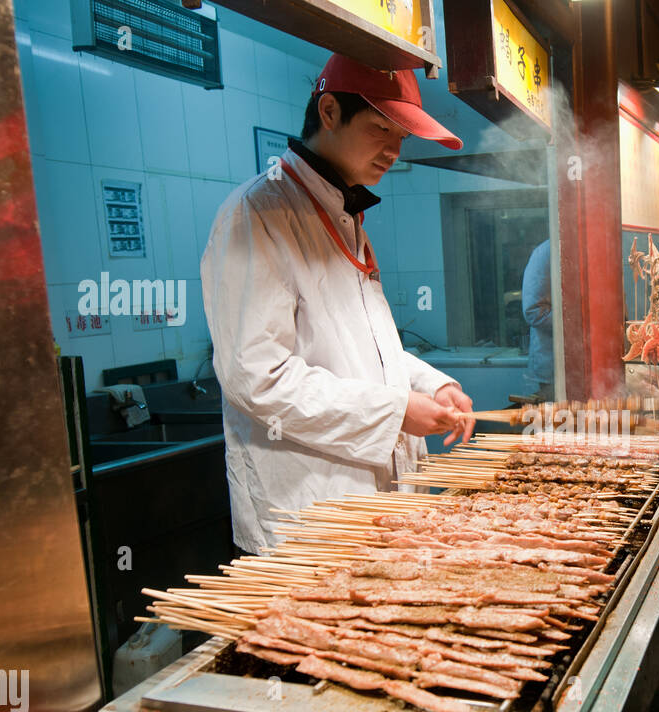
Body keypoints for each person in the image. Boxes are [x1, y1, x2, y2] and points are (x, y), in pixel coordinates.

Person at [203, 55, 475, 554]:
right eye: (380, 129)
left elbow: (362, 349)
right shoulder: (256, 215)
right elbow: (257, 378)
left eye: (402, 137)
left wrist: (433, 385)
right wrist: (393, 414)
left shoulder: (343, 212)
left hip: (377, 511)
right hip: (309, 515)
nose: (394, 150)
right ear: (329, 112)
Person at [520, 240, 554, 401]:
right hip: (554, 367)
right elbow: (533, 312)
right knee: (561, 423)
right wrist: (578, 326)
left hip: (586, 365)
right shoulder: (545, 253)